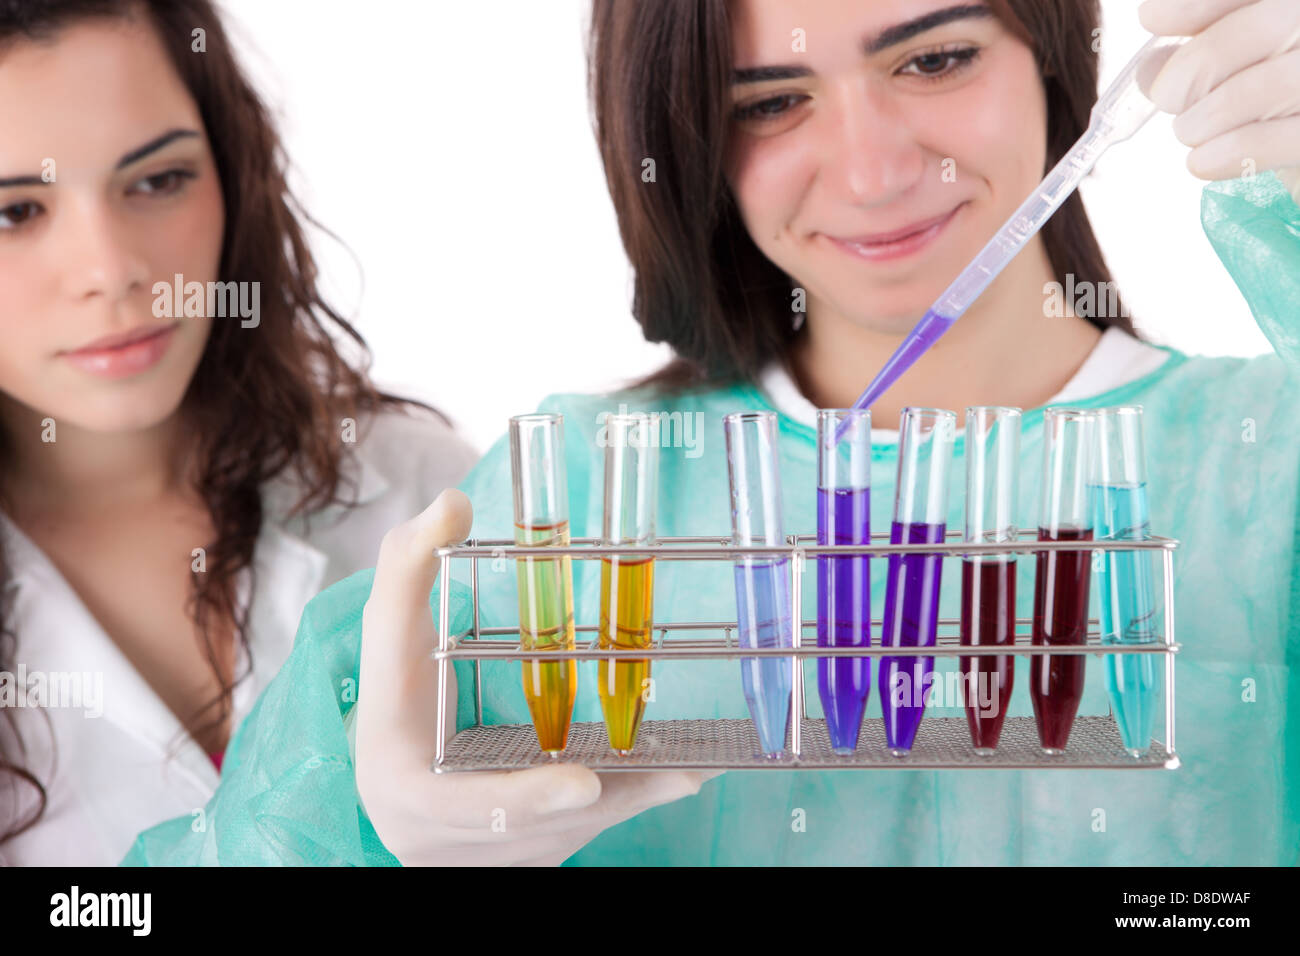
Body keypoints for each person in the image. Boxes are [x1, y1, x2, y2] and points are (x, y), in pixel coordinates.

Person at [125, 0, 1299, 866]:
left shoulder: (1269, 464)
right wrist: (364, 842)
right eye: (771, 101)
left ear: (1055, 51)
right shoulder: (581, 489)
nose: (874, 170)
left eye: (934, 57)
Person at [0, 0, 477, 865]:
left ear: (231, 169)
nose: (112, 270)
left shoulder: (422, 492)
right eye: (14, 213)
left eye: (158, 179)